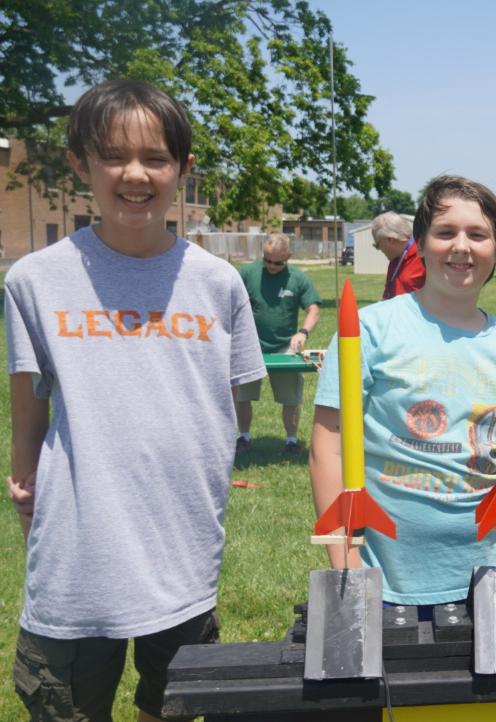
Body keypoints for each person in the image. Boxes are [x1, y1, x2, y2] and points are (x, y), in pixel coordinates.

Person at [4, 79, 265, 722]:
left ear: (183, 168)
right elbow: (27, 408)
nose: (135, 174)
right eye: (113, 156)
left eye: (156, 158)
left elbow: (236, 402)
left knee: (169, 708)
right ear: (79, 164)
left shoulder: (217, 282)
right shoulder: (35, 280)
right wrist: (24, 483)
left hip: (182, 557)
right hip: (76, 558)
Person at [309, 176, 496, 616]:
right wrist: (346, 565)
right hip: (385, 585)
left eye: (478, 235)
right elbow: (327, 447)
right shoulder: (371, 331)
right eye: (446, 233)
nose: (461, 247)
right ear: (420, 245)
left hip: (493, 580)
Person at [235, 233, 321, 455]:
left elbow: (313, 308)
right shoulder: (247, 274)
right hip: (249, 346)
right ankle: (243, 437)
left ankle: (291, 441)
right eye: (268, 260)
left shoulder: (298, 278)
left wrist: (303, 332)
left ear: (289, 257)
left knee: (290, 398)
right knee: (242, 395)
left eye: (278, 262)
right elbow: (228, 301)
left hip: (285, 349)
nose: (272, 266)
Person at [372, 210, 425, 299]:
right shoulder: (394, 261)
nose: (379, 250)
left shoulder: (424, 256)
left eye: (377, 245)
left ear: (390, 240)